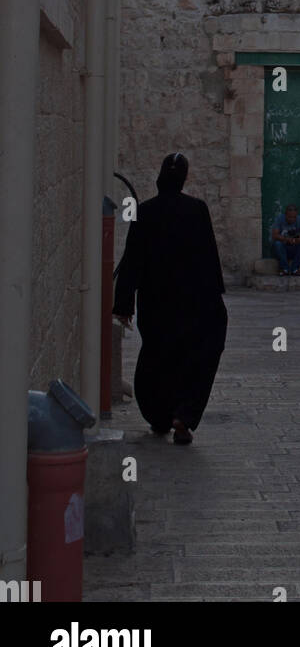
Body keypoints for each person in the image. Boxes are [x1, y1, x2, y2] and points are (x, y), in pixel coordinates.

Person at [112, 153, 228, 445]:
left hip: (156, 305)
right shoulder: (197, 210)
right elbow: (209, 257)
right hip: (195, 304)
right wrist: (215, 300)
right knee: (197, 356)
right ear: (184, 178)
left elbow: (132, 261)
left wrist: (124, 304)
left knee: (157, 358)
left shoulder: (145, 212)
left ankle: (160, 416)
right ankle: (184, 416)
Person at [270, 203, 300, 276]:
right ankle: (285, 269)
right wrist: (287, 239)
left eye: (294, 217)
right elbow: (274, 235)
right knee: (277, 244)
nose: (292, 219)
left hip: (295, 248)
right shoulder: (280, 219)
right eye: (289, 217)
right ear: (285, 215)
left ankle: (295, 269)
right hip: (283, 249)